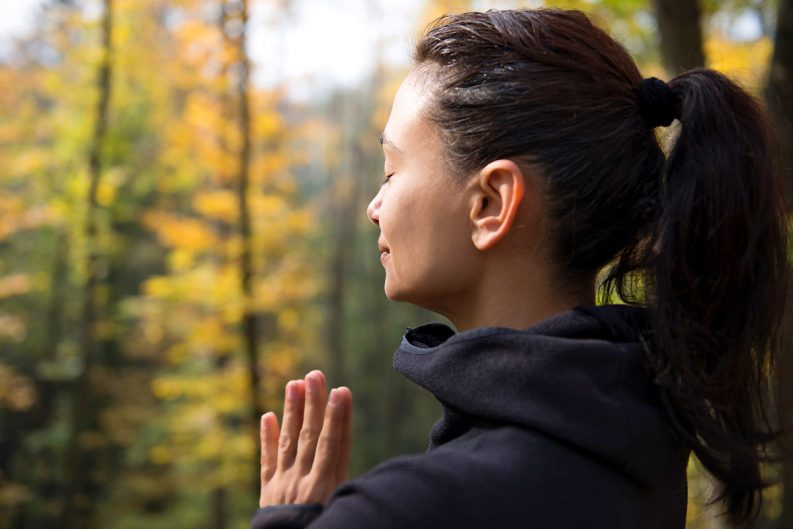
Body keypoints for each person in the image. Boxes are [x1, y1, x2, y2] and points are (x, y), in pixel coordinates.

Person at [250, 8, 788, 529]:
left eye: (392, 171)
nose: (375, 205)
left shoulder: (407, 510)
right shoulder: (639, 449)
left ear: (491, 204)